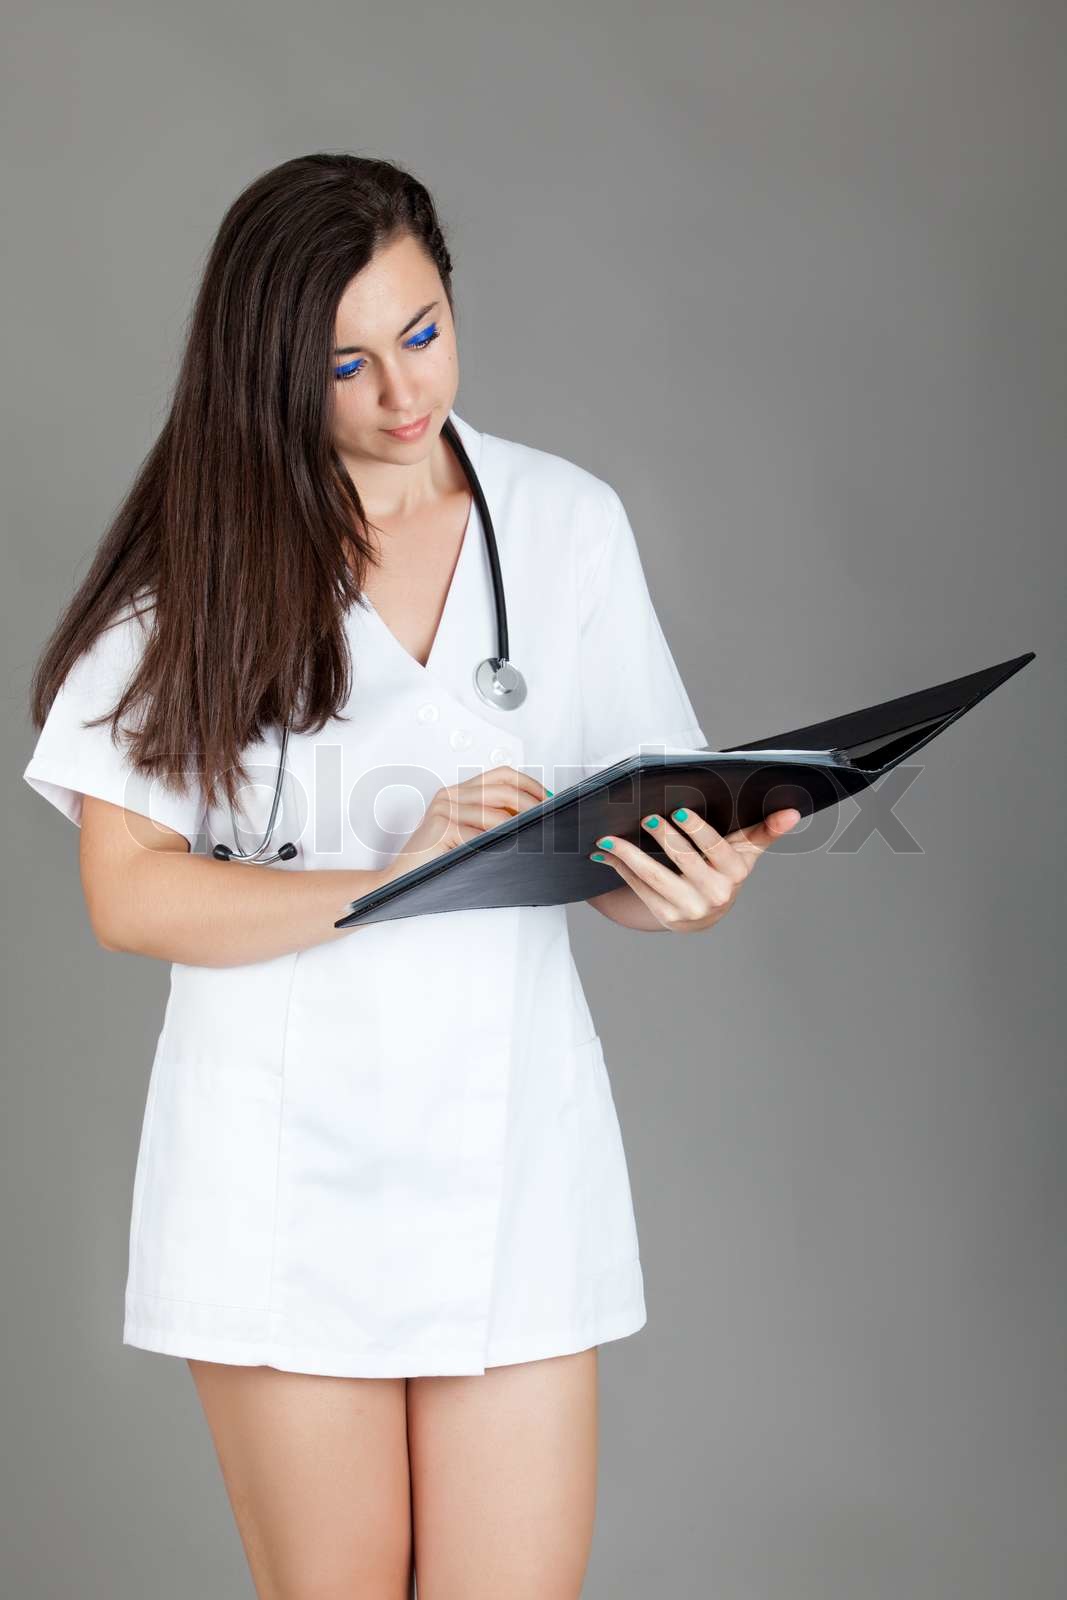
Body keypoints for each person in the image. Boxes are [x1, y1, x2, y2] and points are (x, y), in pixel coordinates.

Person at [22, 152, 799, 1599]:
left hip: (511, 1161)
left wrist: (683, 885)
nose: (402, 392)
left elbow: (611, 851)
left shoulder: (564, 523)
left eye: (423, 331)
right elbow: (128, 895)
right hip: (281, 1176)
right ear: (272, 373)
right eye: (348, 365)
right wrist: (396, 872)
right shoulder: (201, 564)